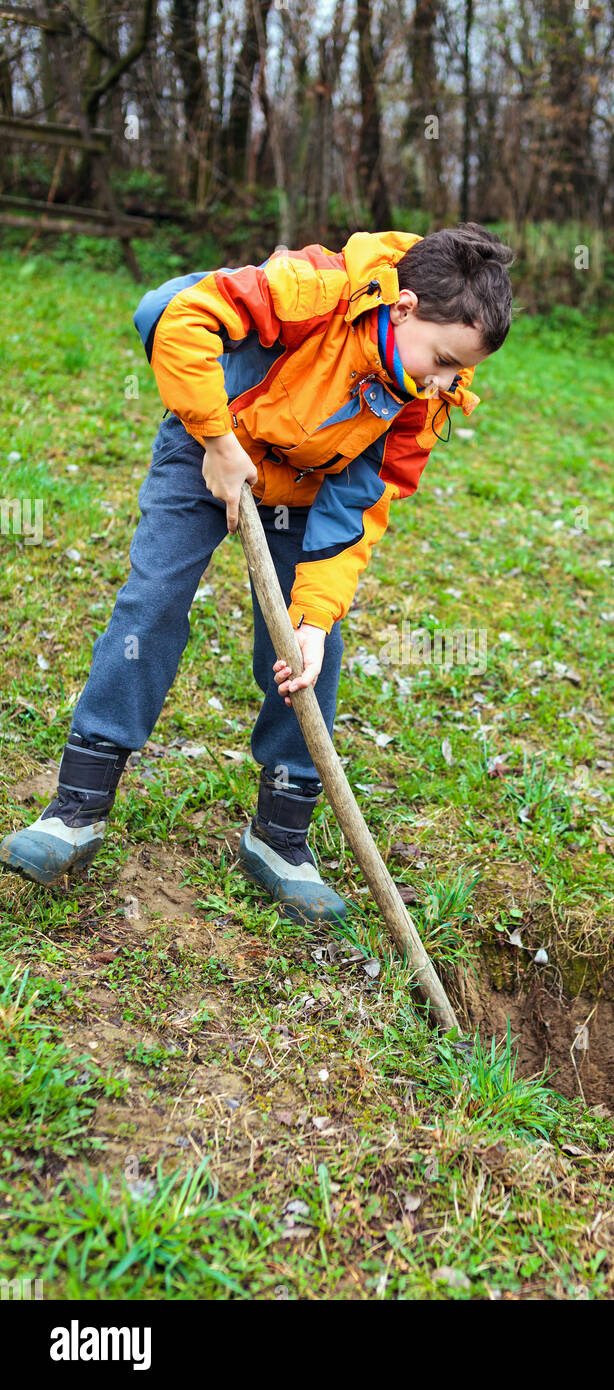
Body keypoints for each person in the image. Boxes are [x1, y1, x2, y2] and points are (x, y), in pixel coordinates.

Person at [0, 223, 514, 924]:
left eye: (461, 371)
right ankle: (77, 809)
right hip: (210, 446)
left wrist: (312, 618)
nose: (448, 382)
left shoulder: (420, 399)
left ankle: (280, 836)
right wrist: (215, 441)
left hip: (303, 490)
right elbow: (178, 316)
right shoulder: (315, 288)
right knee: (152, 604)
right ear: (403, 308)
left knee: (311, 652)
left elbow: (361, 508)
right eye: (446, 359)